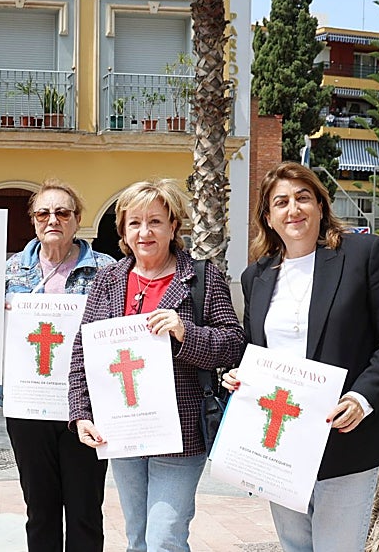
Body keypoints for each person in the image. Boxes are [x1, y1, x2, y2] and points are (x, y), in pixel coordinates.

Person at [225, 161, 379, 552]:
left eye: (302, 198)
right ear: (268, 217)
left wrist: (362, 399)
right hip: (280, 435)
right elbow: (253, 348)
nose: (293, 209)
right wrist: (237, 375)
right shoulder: (255, 276)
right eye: (281, 203)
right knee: (295, 545)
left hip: (344, 432)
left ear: (320, 206)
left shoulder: (362, 254)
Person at [67, 178, 245, 552]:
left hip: (180, 432)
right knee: (137, 537)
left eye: (155, 222)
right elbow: (83, 351)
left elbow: (233, 343)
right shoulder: (108, 280)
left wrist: (185, 332)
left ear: (173, 226)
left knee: (165, 537)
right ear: (123, 230)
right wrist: (81, 412)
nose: (144, 232)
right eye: (134, 223)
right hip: (123, 428)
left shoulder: (202, 277)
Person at [4, 180, 116, 552]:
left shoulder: (107, 270)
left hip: (86, 406)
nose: (53, 219)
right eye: (43, 213)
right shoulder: (9, 272)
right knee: (40, 509)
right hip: (27, 406)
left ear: (77, 219)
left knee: (85, 509)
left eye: (62, 212)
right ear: (33, 221)